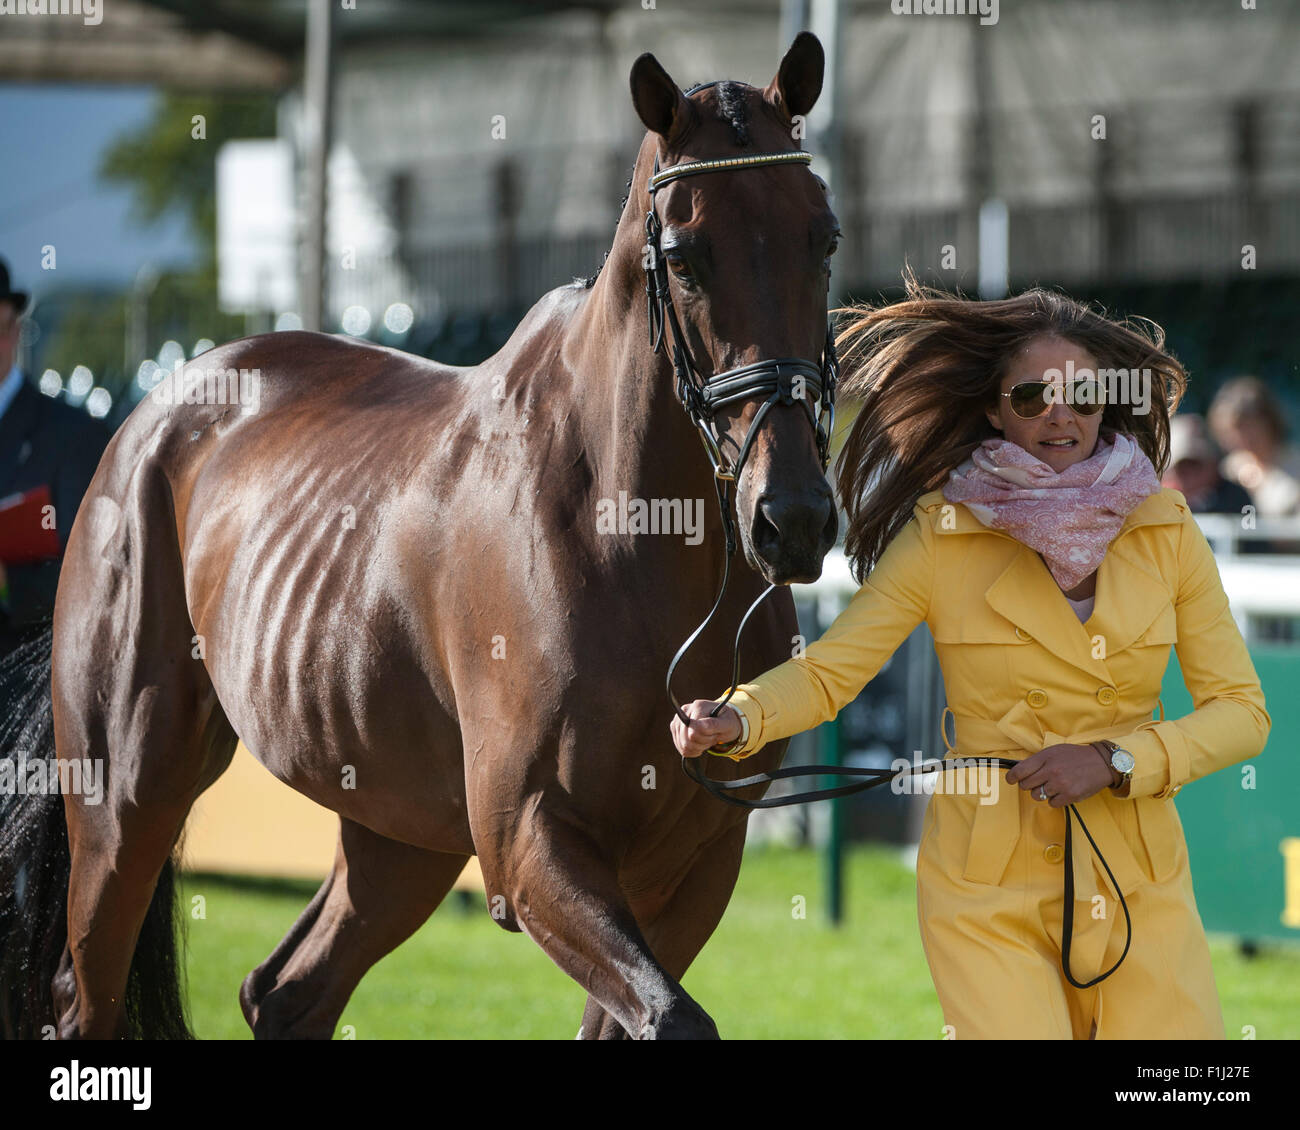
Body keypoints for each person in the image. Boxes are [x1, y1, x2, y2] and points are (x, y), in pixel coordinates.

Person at [669, 277, 1271, 1040]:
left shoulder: (1167, 525)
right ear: (993, 409)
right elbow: (831, 672)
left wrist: (1116, 759)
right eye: (1031, 397)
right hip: (985, 887)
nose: (1061, 415)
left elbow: (1243, 715)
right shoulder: (941, 532)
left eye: (1082, 395)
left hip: (1140, 881)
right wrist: (739, 715)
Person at [0, 258, 112, 660]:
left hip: (23, 680)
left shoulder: (71, 435)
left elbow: (96, 573)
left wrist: (7, 583)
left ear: (14, 330)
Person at [1207, 375, 1300, 518]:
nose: (1239, 438)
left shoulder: (1294, 464)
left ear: (1269, 423)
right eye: (1231, 430)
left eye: (1248, 427)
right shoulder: (1227, 470)